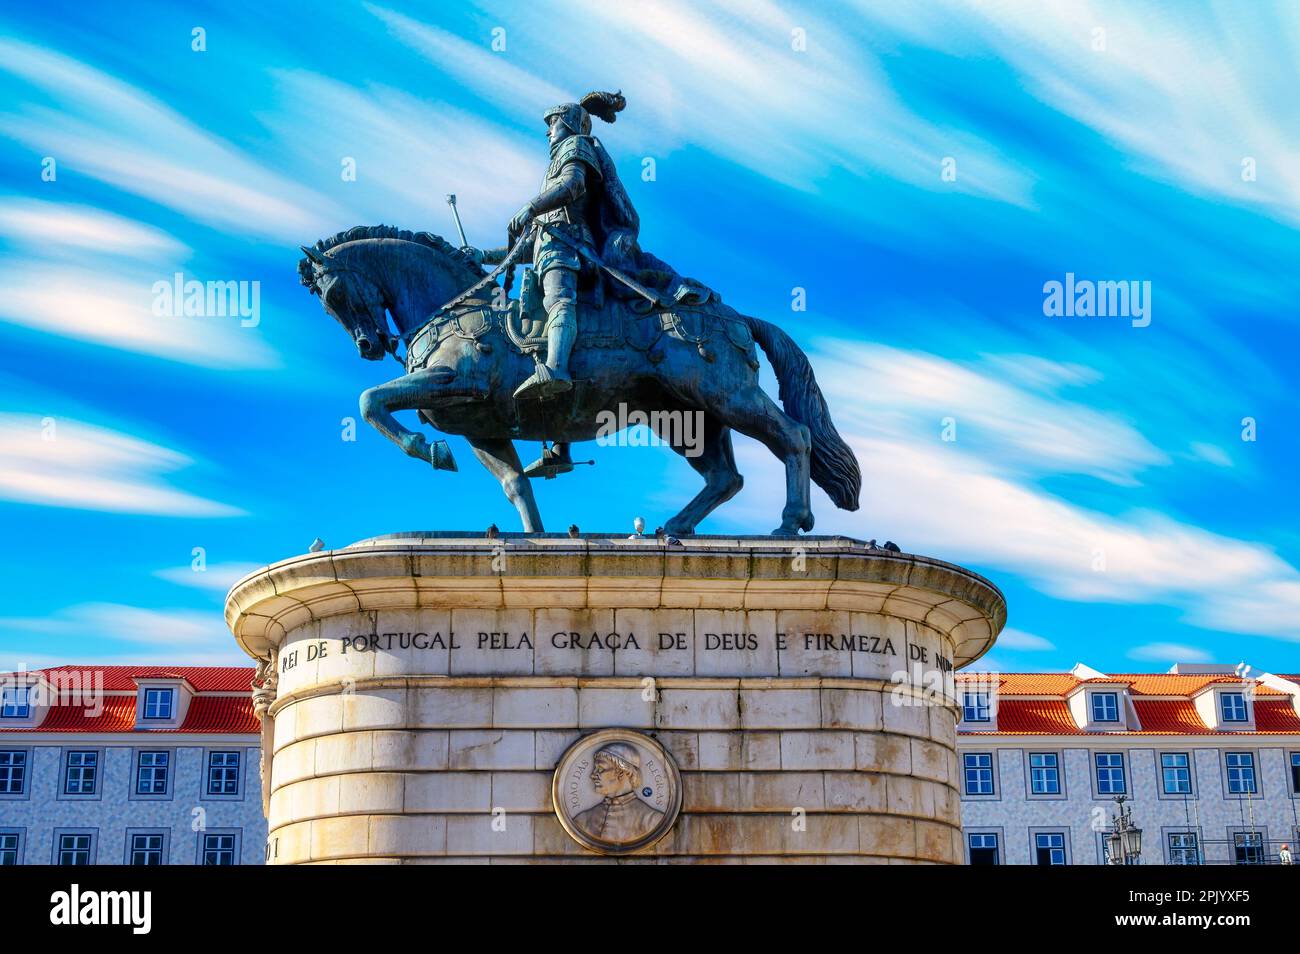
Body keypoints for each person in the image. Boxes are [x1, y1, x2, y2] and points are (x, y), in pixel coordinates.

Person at [470, 91, 639, 401]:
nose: (548, 131)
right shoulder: (553, 169)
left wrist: (531, 207)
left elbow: (573, 186)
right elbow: (529, 245)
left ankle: (556, 369)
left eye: (553, 124)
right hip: (551, 246)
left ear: (569, 125)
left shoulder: (575, 146)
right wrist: (483, 256)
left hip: (569, 243)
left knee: (559, 301)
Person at [571, 742, 664, 845]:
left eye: (600, 769)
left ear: (621, 772)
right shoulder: (583, 820)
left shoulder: (652, 820)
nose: (593, 775)